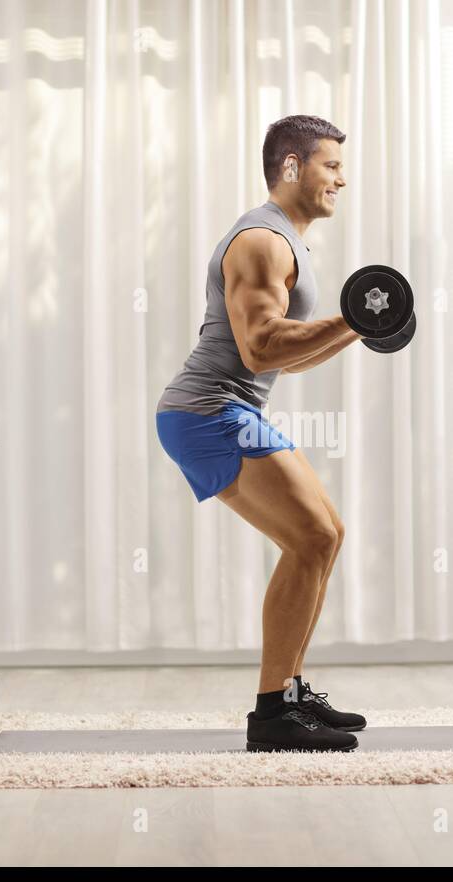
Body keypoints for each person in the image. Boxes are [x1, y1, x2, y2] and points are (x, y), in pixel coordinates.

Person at [156, 115, 366, 752]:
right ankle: (272, 714)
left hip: (229, 409)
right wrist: (351, 317)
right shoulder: (262, 242)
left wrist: (356, 326)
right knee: (311, 538)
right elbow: (260, 346)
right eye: (330, 166)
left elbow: (285, 358)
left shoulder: (287, 242)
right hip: (207, 411)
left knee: (326, 536)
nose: (342, 178)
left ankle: (291, 693)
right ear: (294, 167)